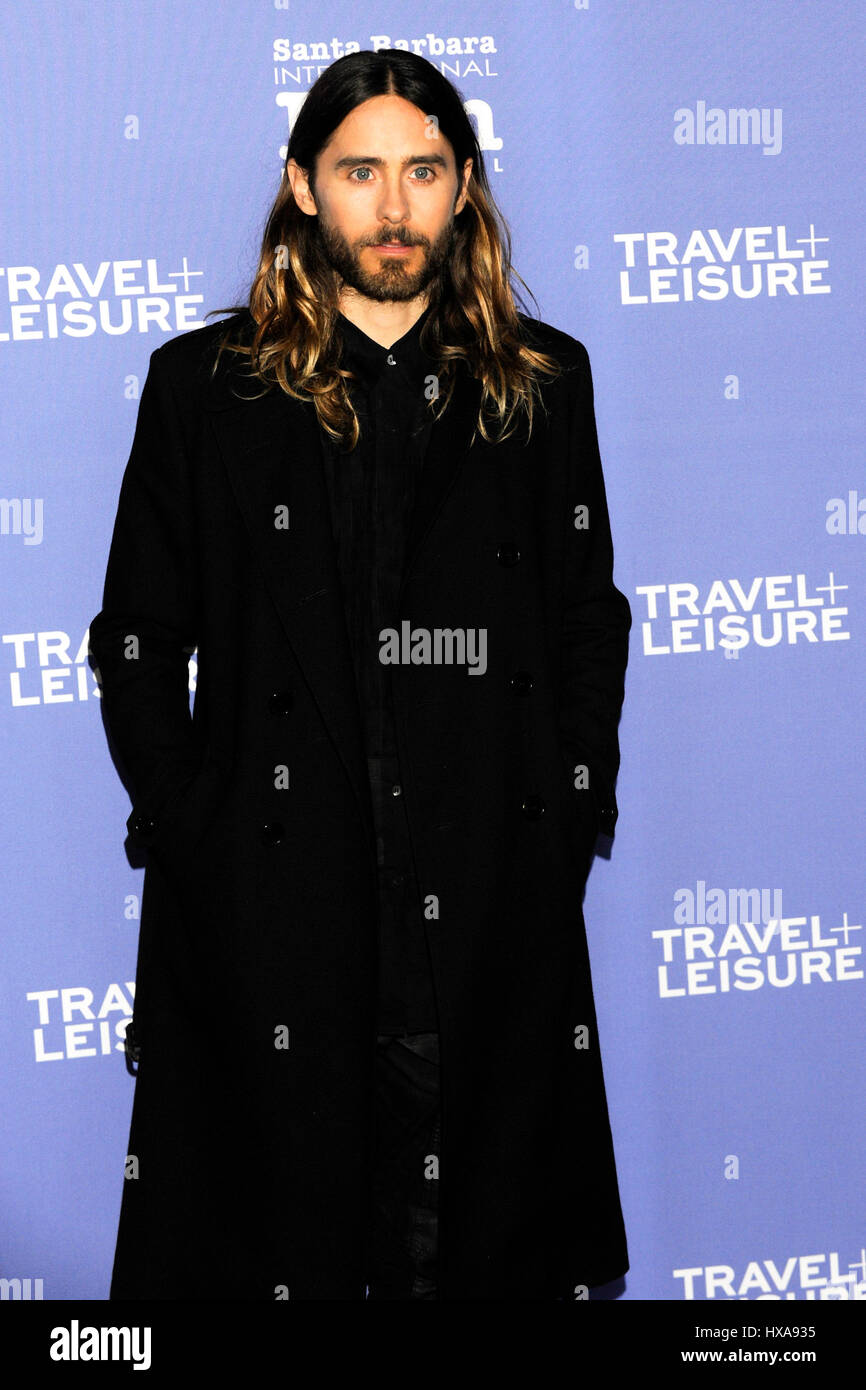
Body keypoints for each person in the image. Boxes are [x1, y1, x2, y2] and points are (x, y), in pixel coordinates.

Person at [89, 48, 632, 1301]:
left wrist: (567, 816)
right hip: (276, 913)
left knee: (480, 1258)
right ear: (300, 186)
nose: (393, 209)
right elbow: (134, 635)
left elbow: (582, 614)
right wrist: (194, 827)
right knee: (273, 1251)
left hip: (484, 914)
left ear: (462, 188)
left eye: (422, 172)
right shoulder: (202, 387)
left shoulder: (542, 383)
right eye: (360, 172)